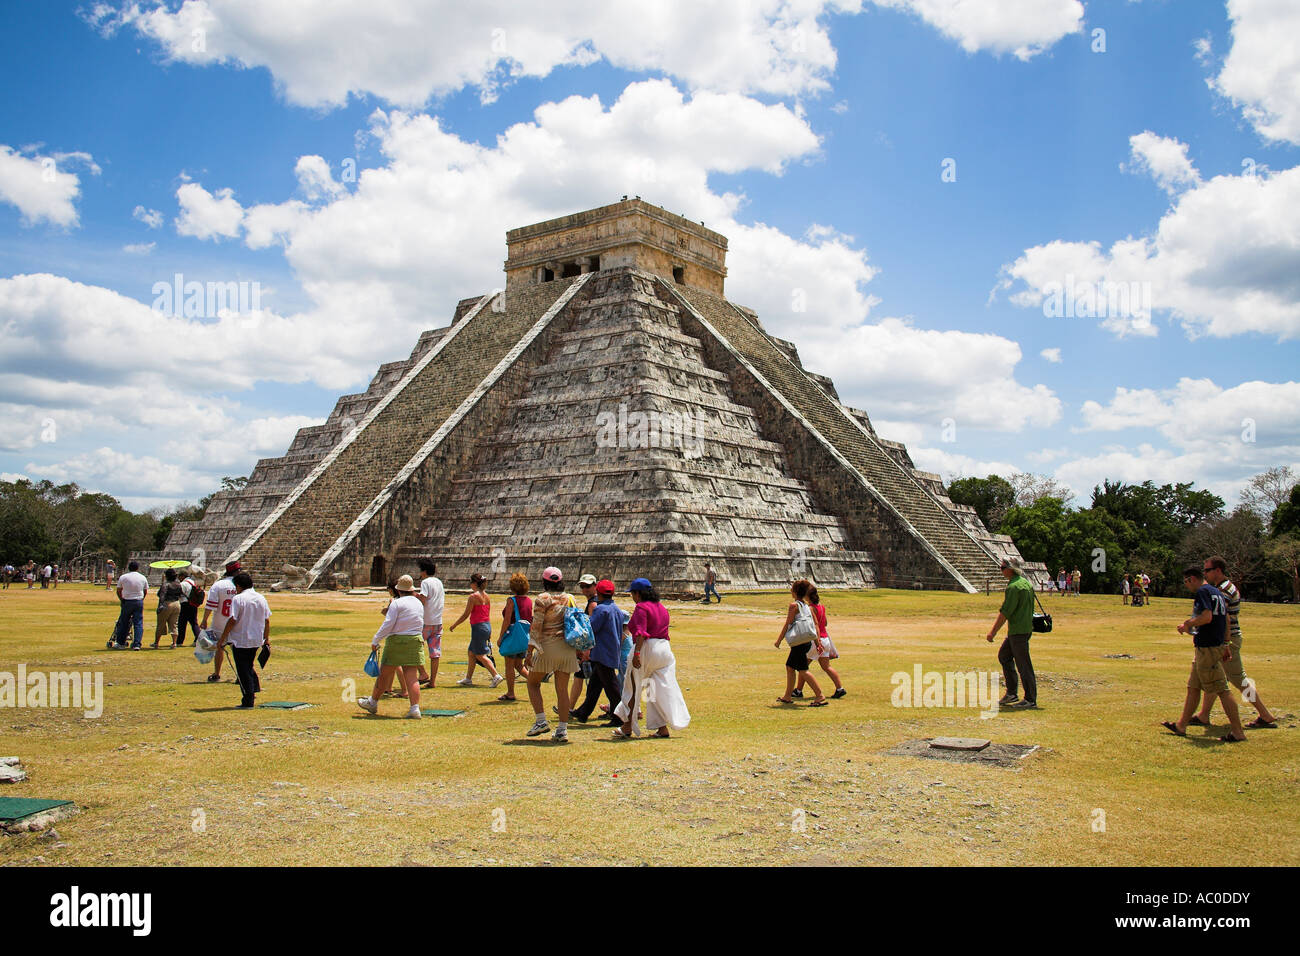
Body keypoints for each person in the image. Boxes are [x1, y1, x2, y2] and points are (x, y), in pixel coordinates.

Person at [1192, 556, 1278, 729]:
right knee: (1216, 676)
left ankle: (1265, 715)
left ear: (1218, 570)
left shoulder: (1224, 590)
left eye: (1207, 570)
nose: (1205, 574)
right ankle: (1203, 715)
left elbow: (1225, 618)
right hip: (1226, 639)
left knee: (1239, 679)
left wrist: (1225, 643)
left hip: (1227, 639)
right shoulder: (1222, 588)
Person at [1163, 567, 1247, 742]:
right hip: (1210, 646)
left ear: (1191, 579)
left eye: (1186, 582)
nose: (1186, 586)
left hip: (1208, 648)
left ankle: (1238, 732)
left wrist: (1187, 624)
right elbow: (1226, 619)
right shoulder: (1217, 591)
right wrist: (1225, 644)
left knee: (1222, 690)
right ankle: (1181, 725)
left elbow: (1207, 617)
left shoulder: (1202, 591)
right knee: (1193, 687)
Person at [614, 578, 690, 737]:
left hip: (647, 648)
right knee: (652, 688)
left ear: (638, 593)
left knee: (632, 687)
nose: (632, 597)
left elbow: (641, 632)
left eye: (632, 594)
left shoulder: (641, 607)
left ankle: (627, 726)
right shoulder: (662, 607)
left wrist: (636, 653)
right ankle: (661, 727)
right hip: (664, 649)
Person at [356, 575, 426, 718]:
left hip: (397, 640)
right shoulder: (418, 603)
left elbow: (388, 624)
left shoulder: (397, 603)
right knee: (411, 676)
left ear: (399, 590)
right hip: (415, 639)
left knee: (384, 674)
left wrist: (376, 640)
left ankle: (373, 701)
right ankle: (415, 708)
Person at [523, 567, 577, 741]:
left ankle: (541, 720)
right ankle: (562, 729)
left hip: (547, 646)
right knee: (562, 689)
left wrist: (530, 650)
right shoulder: (570, 598)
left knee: (532, 683)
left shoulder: (542, 599)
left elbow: (536, 625)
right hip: (567, 647)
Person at [571, 579, 628, 725]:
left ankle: (619, 716)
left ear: (599, 593)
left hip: (602, 652)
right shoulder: (616, 609)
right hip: (611, 650)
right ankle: (583, 712)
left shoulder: (601, 609)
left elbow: (591, 629)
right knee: (595, 685)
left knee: (611, 687)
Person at [986, 557, 1037, 709]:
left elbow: (1005, 612)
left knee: (1023, 664)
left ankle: (1030, 699)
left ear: (1010, 569)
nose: (1001, 570)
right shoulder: (1026, 583)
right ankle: (1012, 693)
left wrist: (992, 632)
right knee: (1004, 656)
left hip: (1018, 631)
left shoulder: (1014, 587)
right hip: (1024, 628)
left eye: (1002, 568)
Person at [214, 571, 271, 708]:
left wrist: (223, 638)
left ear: (239, 586)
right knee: (248, 665)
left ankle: (248, 698)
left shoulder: (238, 599)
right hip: (256, 638)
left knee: (242, 669)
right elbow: (267, 620)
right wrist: (266, 638)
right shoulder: (261, 598)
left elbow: (232, 619)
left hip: (241, 638)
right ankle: (253, 688)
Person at [774, 579, 828, 706]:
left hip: (799, 643)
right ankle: (787, 696)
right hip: (806, 642)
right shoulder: (807, 607)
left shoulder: (794, 606)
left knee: (803, 670)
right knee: (790, 667)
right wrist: (817, 642)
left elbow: (787, 624)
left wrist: (779, 640)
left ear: (795, 592)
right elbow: (814, 626)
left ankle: (820, 695)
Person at [449, 573, 504, 688]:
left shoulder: (473, 597)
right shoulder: (487, 596)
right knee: (471, 653)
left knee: (480, 654)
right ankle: (468, 678)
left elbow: (466, 614)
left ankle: (496, 675)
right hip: (486, 626)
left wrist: (454, 625)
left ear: (474, 584)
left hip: (478, 627)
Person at [795, 585, 845, 699]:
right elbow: (825, 623)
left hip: (816, 640)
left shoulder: (810, 608)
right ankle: (839, 688)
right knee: (826, 666)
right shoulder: (821, 607)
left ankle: (798, 690)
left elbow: (814, 625)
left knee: (803, 666)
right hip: (825, 639)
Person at [201, 561, 241, 682]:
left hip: (221, 621)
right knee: (238, 650)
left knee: (220, 647)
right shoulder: (242, 584)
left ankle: (217, 673)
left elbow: (211, 605)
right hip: (238, 622)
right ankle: (240, 675)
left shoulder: (218, 585)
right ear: (237, 572)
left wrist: (204, 620)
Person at [496, 572, 533, 702]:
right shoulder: (529, 600)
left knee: (510, 665)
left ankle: (510, 692)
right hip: (524, 637)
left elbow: (507, 621)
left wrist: (500, 637)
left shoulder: (511, 601)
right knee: (519, 665)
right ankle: (534, 681)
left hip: (513, 635)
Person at [108, 560, 150, 650]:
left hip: (127, 601)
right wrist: (141, 599)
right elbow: (145, 591)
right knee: (138, 623)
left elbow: (119, 590)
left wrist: (122, 599)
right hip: (138, 601)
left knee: (124, 622)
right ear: (137, 568)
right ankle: (137, 644)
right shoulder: (142, 577)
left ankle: (120, 642)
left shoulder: (124, 577)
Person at [153, 568, 184, 649]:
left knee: (161, 623)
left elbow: (161, 595)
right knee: (174, 624)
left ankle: (156, 643)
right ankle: (174, 643)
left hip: (167, 603)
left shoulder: (166, 584)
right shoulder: (178, 584)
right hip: (176, 604)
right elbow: (181, 594)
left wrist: (160, 605)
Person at [177, 566, 205, 647]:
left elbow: (179, 594)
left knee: (182, 623)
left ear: (182, 576)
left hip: (185, 604)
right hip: (193, 604)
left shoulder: (183, 584)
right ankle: (198, 639)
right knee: (194, 623)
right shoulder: (193, 582)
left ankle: (180, 641)